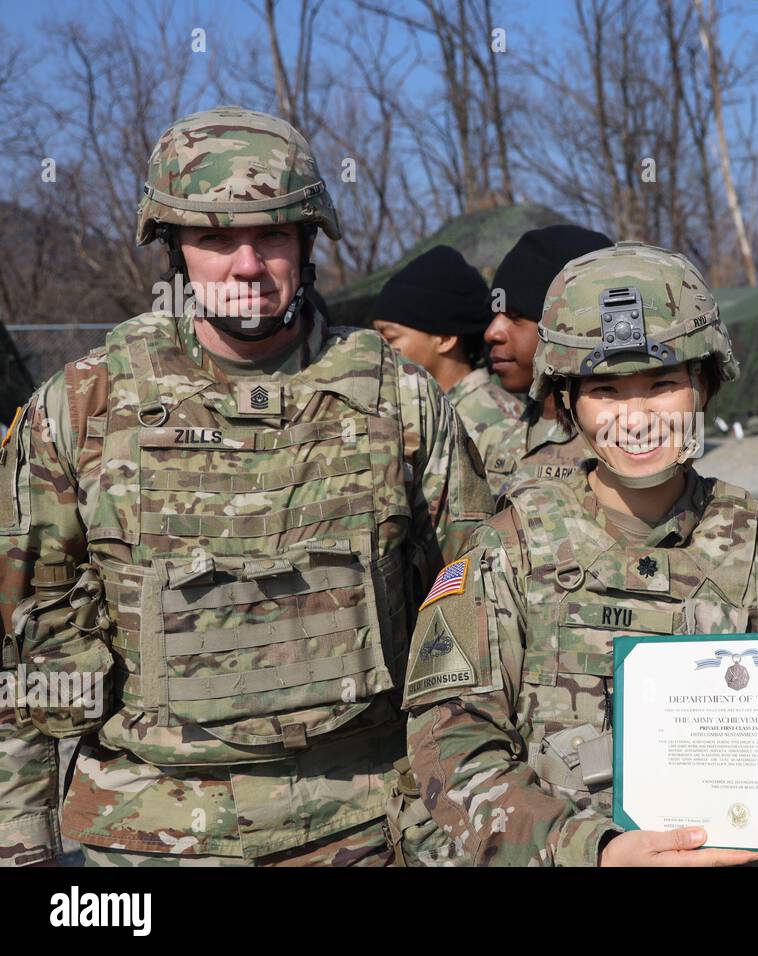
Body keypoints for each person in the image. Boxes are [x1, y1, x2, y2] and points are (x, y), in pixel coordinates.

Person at [0, 106, 494, 867]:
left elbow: (476, 616)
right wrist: (23, 853)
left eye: (270, 235)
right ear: (174, 251)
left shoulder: (398, 398)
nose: (245, 265)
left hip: (366, 825)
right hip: (147, 834)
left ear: (306, 243)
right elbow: (22, 654)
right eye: (214, 239)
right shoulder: (82, 408)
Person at [393, 241, 758, 866]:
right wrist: (590, 851)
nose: (636, 419)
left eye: (661, 384)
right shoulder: (507, 548)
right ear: (567, 401)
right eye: (605, 390)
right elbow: (451, 748)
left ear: (704, 385)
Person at [372, 244, 522, 490]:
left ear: (444, 339)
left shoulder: (500, 428)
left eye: (390, 338)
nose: (379, 350)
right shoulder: (409, 411)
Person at [481, 224, 613, 491]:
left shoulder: (619, 447)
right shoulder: (500, 435)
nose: (491, 333)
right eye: (495, 315)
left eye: (516, 316)